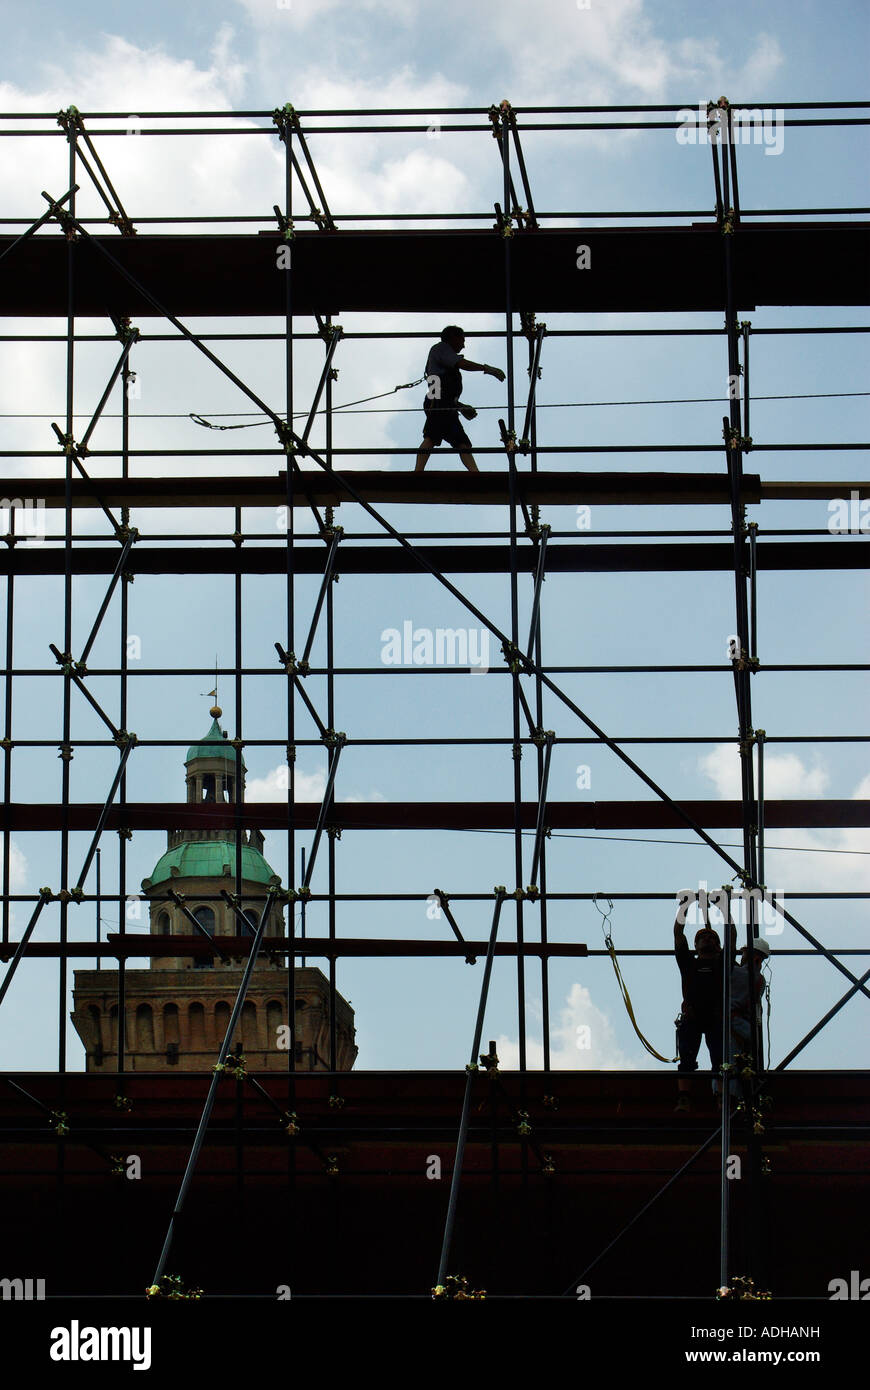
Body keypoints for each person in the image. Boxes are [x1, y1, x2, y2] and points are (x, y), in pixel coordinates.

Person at [414, 326, 505, 474]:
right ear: (453, 338)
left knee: (462, 442)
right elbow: (462, 365)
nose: (463, 345)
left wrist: (460, 407)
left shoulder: (441, 357)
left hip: (444, 403)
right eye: (462, 340)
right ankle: (418, 472)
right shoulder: (441, 349)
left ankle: (475, 473)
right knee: (432, 435)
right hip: (438, 401)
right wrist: (487, 369)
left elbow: (445, 395)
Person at [673, 907, 725, 1112]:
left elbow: (733, 938)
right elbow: (678, 934)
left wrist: (725, 911)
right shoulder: (688, 964)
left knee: (720, 1062)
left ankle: (721, 1098)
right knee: (686, 1059)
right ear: (695, 945)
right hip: (692, 1017)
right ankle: (684, 1098)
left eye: (711, 937)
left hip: (715, 1017)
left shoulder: (722, 964)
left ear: (718, 946)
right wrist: (684, 907)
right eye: (702, 937)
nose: (706, 939)